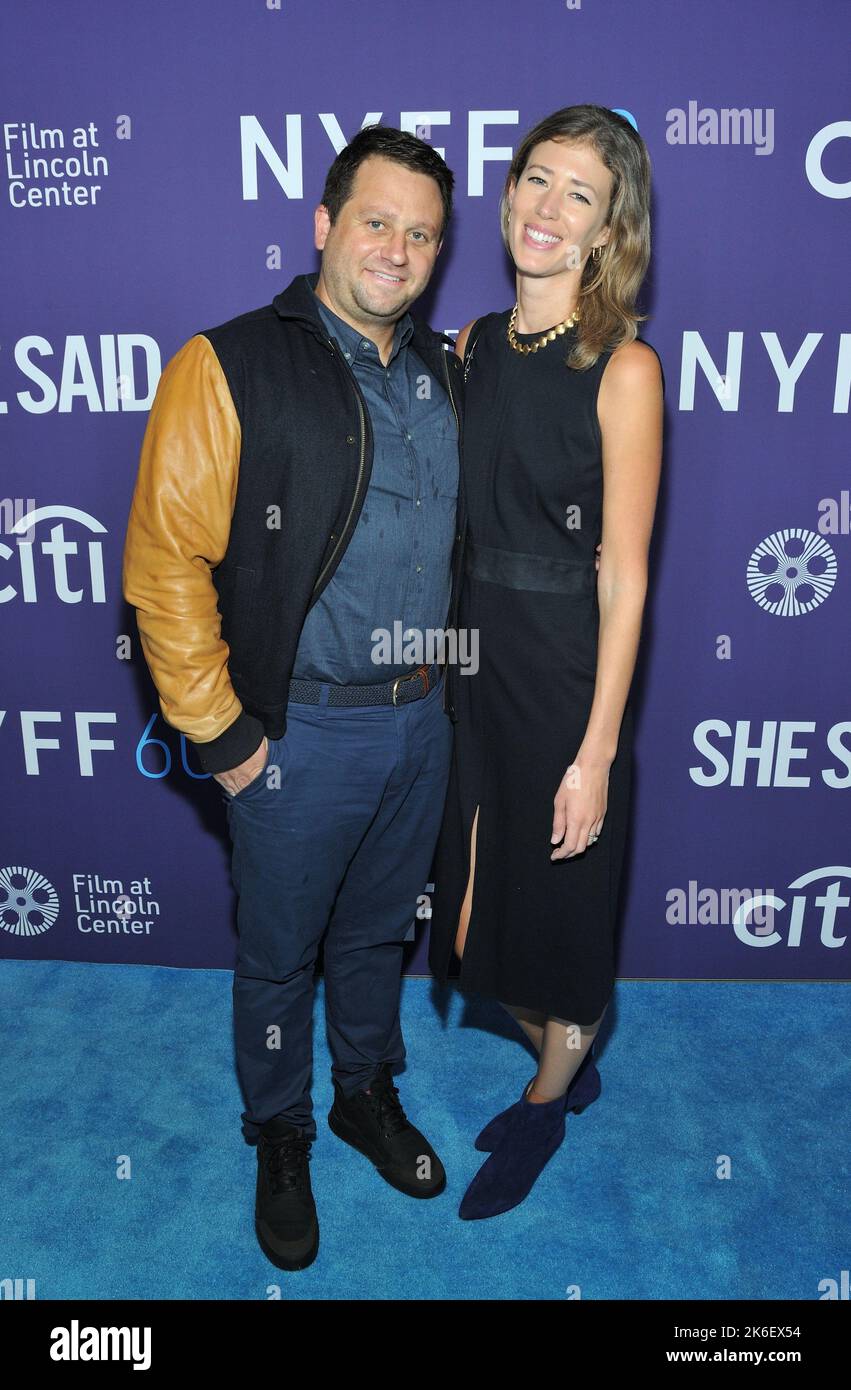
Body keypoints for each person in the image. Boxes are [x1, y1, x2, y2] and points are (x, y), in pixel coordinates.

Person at [122, 126, 466, 1271]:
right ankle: (278, 1132)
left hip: (420, 722)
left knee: (376, 936)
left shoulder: (440, 373)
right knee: (278, 957)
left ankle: (364, 1093)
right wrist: (222, 735)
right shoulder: (221, 364)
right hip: (297, 732)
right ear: (322, 225)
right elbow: (165, 559)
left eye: (420, 233)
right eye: (375, 220)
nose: (396, 248)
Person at [428, 105, 665, 1220]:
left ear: (607, 228)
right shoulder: (472, 344)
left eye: (580, 192)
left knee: (554, 924)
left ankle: (548, 1092)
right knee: (475, 928)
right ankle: (567, 1053)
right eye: (536, 178)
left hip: (566, 673)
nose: (547, 205)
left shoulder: (622, 367)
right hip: (474, 666)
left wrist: (598, 750)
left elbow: (623, 572)